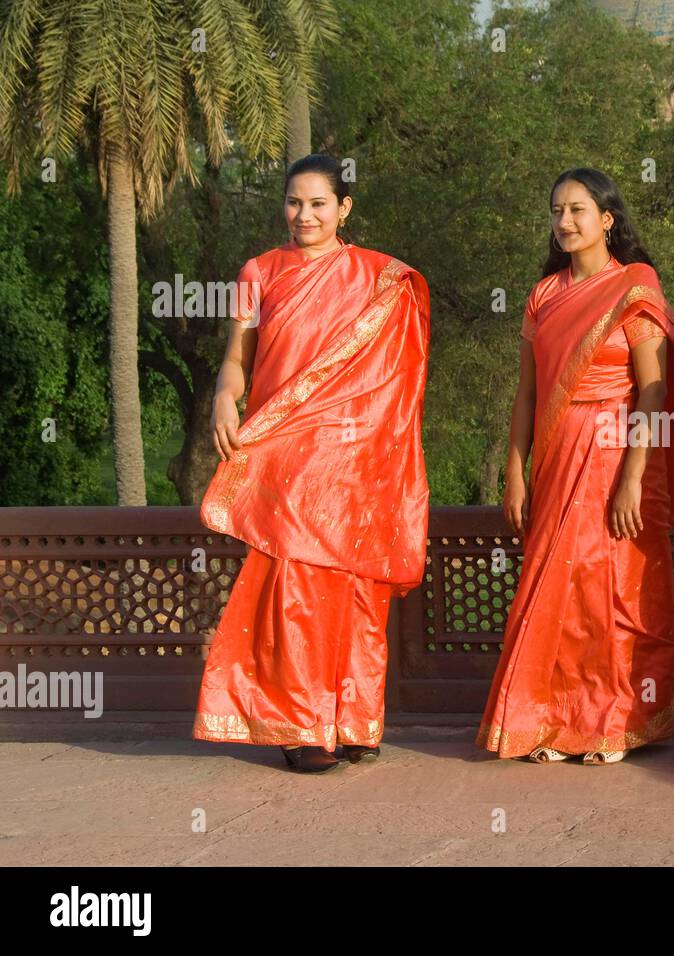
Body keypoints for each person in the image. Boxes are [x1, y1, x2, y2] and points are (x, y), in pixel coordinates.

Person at [193, 154, 431, 773]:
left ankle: (354, 719)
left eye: (319, 203)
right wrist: (225, 397)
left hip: (354, 457)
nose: (305, 215)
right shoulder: (259, 272)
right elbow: (238, 358)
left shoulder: (380, 279)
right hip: (286, 453)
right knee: (294, 582)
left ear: (344, 208)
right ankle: (299, 725)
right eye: (294, 202)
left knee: (354, 584)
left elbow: (394, 379)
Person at [476, 168, 674, 764]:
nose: (565, 221)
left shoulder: (635, 285)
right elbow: (528, 394)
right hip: (559, 453)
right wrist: (515, 473)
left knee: (616, 588)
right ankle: (555, 721)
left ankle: (618, 722)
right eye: (557, 210)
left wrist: (633, 477)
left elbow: (654, 390)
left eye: (578, 210)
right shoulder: (543, 296)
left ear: (607, 219)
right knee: (559, 585)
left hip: (620, 449)